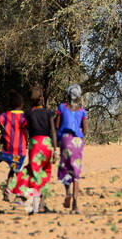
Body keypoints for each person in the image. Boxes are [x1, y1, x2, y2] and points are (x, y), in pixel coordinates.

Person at [12, 89, 56, 214]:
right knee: (45, 174)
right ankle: (41, 204)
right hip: (47, 144)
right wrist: (55, 149)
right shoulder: (48, 113)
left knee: (34, 173)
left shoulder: (28, 114)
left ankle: (33, 204)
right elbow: (53, 131)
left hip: (34, 145)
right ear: (42, 98)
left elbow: (23, 130)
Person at [0, 91, 28, 201]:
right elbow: (27, 128)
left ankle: (7, 192)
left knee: (6, 161)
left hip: (8, 147)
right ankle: (17, 193)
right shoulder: (24, 116)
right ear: (22, 104)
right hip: (19, 149)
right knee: (16, 170)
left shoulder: (5, 115)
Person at [56, 84, 87, 213]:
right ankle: (75, 203)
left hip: (65, 139)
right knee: (76, 170)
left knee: (65, 167)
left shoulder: (62, 108)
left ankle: (67, 192)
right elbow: (85, 130)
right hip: (77, 141)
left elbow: (58, 125)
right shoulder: (82, 111)